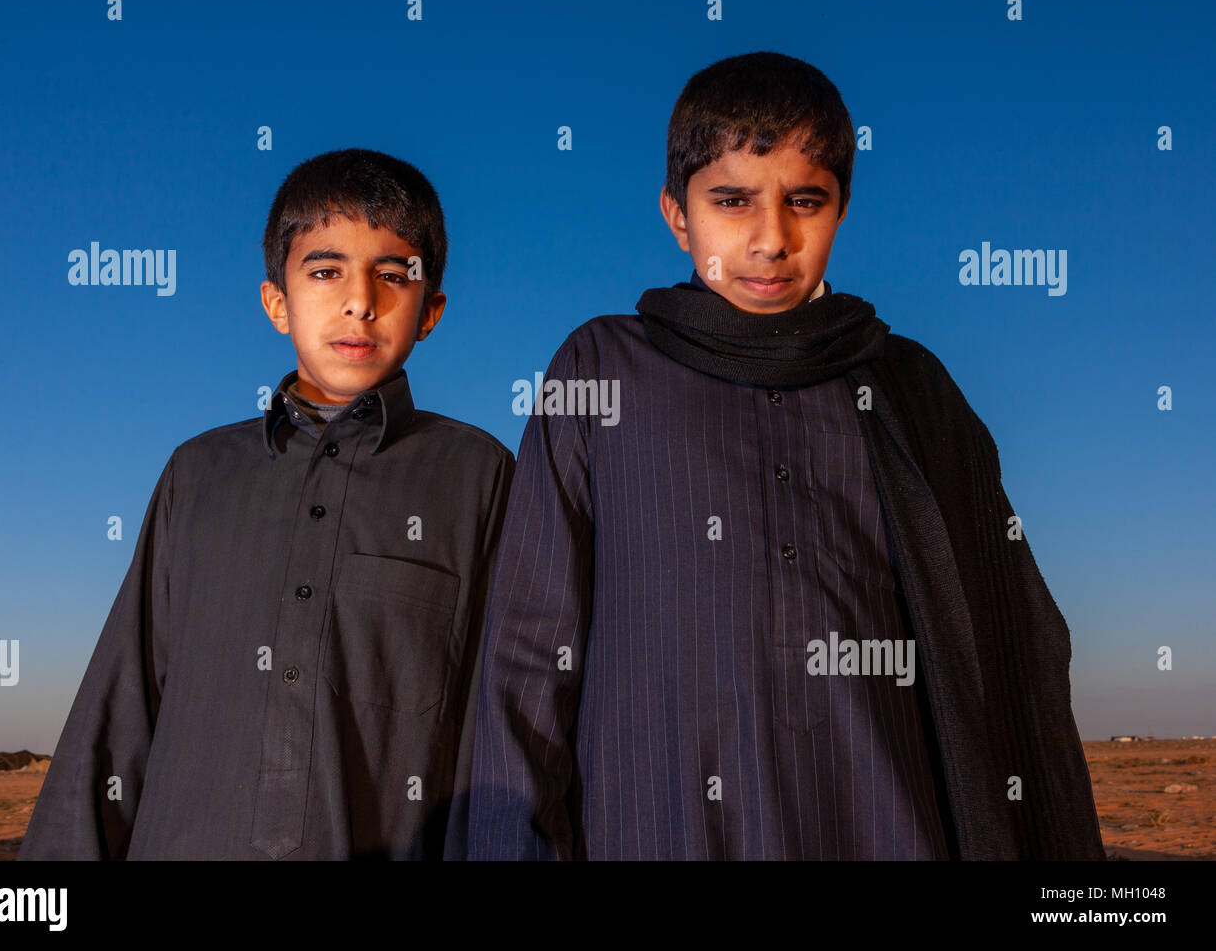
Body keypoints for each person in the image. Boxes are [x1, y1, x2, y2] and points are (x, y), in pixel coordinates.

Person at [468, 51, 1104, 860]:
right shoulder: (599, 370)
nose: (771, 239)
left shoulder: (909, 386)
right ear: (677, 214)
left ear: (842, 208)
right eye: (731, 200)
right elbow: (528, 652)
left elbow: (1012, 639)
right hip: (654, 828)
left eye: (806, 200)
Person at [19, 148, 513, 859]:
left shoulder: (479, 477)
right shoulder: (198, 474)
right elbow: (120, 706)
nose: (359, 299)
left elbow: (494, 727)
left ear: (430, 310)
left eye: (392, 273)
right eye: (325, 270)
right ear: (276, 301)